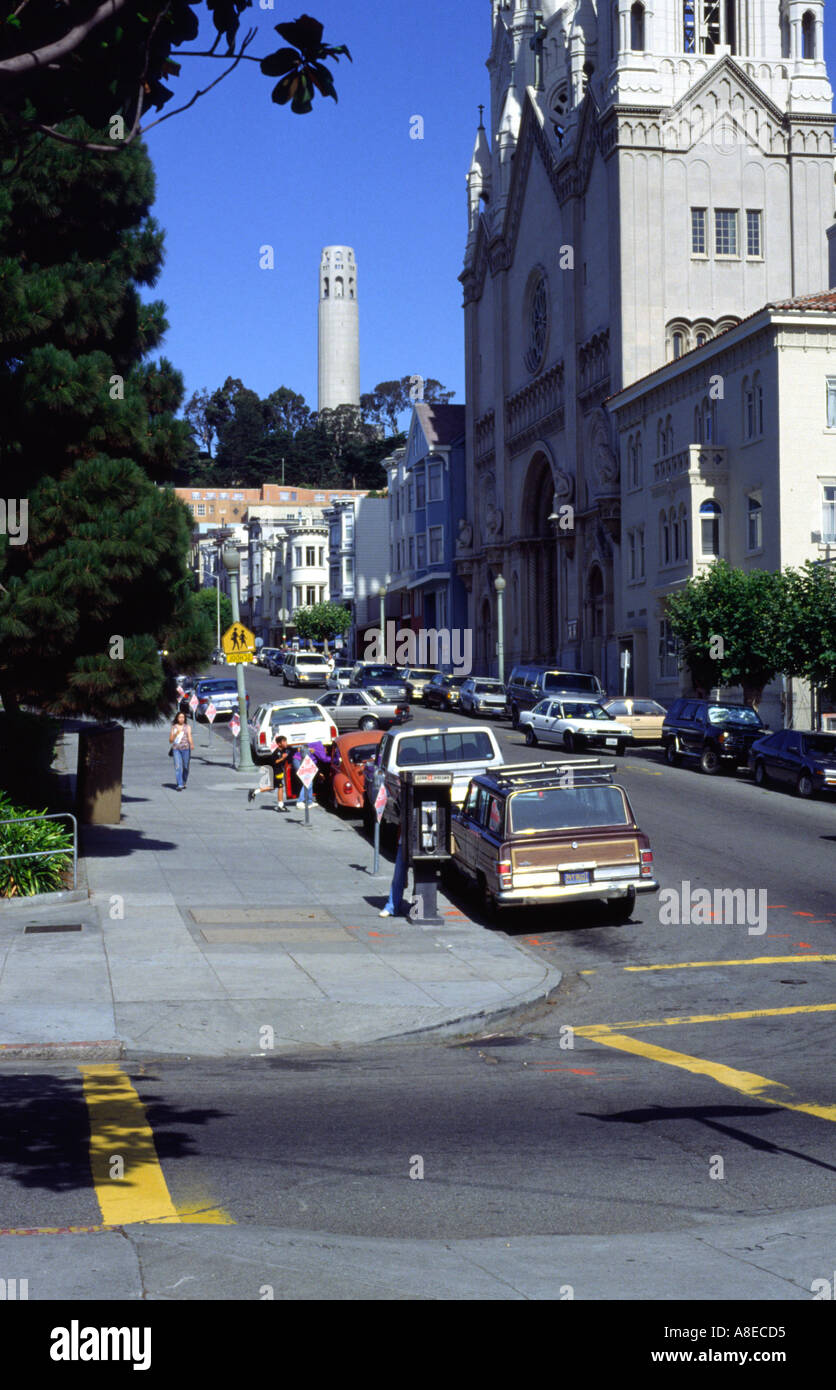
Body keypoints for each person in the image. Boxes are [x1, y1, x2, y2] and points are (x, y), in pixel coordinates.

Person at [248, 735, 291, 811]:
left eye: (286, 741)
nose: (286, 743)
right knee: (280, 787)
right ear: (279, 744)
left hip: (279, 772)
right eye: (284, 741)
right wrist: (282, 758)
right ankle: (280, 806)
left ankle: (255, 791)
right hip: (276, 772)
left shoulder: (282, 751)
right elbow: (275, 762)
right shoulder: (276, 752)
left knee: (272, 787)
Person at [380, 826, 407, 917]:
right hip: (404, 841)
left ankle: (416, 905)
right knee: (398, 874)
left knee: (420, 875)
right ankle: (392, 906)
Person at [169, 711, 194, 791]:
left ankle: (184, 781)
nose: (181, 719)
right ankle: (179, 784)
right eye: (180, 717)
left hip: (186, 749)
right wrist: (175, 734)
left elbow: (189, 736)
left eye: (183, 717)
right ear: (177, 718)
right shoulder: (174, 727)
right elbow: (170, 740)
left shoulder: (187, 727)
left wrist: (192, 744)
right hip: (176, 749)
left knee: (186, 766)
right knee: (178, 767)